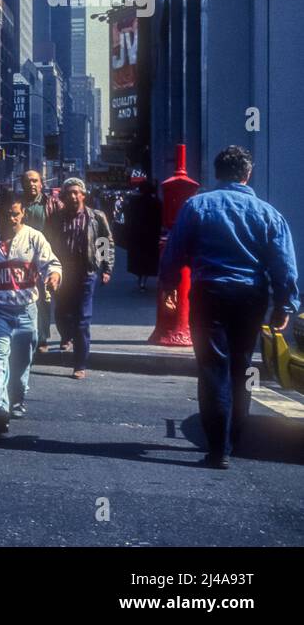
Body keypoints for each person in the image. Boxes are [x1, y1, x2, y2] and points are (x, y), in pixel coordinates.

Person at [159, 145, 299, 469]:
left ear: (216, 173)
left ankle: (217, 447)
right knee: (241, 365)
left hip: (209, 293)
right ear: (247, 174)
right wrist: (285, 304)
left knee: (211, 368)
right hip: (251, 297)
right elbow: (284, 265)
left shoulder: (197, 206)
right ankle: (234, 437)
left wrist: (168, 286)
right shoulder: (268, 213)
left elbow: (174, 249)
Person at [0, 191, 62, 435]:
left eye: (16, 214)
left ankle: (17, 398)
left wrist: (54, 276)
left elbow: (52, 263)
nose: (12, 219)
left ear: (23, 214)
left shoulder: (34, 238)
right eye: (7, 215)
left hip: (26, 311)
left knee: (20, 364)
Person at [46, 178, 114, 379]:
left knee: (83, 320)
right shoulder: (56, 218)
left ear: (83, 195)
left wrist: (107, 268)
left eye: (77, 193)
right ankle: (67, 335)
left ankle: (80, 364)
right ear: (64, 197)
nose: (74, 196)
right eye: (69, 193)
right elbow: (47, 243)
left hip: (87, 273)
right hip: (62, 273)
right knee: (62, 313)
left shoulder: (96, 217)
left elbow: (104, 241)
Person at [20, 170, 62, 351]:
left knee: (44, 299)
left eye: (35, 181)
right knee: (23, 299)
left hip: (44, 258)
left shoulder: (51, 204)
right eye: (28, 181)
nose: (32, 184)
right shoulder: (17, 204)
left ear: (41, 184)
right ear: (22, 184)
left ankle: (43, 338)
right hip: (21, 259)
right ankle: (25, 336)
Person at [124, 181, 162, 291]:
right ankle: (143, 280)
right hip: (151, 234)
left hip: (136, 234)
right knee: (148, 259)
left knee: (138, 259)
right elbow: (159, 220)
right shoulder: (156, 202)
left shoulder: (134, 202)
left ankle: (140, 278)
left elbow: (128, 216)